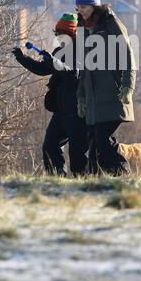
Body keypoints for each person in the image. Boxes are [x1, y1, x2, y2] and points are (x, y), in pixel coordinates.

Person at [13, 12, 89, 175]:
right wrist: (22, 58)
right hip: (61, 112)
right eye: (57, 34)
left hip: (78, 113)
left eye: (61, 34)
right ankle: (57, 179)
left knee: (77, 156)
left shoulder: (81, 52)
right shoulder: (59, 51)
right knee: (49, 147)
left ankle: (81, 184)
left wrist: (52, 61)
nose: (58, 38)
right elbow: (42, 69)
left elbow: (72, 74)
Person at [73, 0, 135, 175]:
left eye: (83, 6)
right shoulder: (82, 27)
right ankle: (94, 178)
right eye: (78, 7)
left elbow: (127, 55)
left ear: (94, 6)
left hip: (112, 94)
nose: (80, 10)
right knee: (94, 140)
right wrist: (81, 96)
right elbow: (84, 67)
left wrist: (127, 86)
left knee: (101, 138)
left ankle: (122, 174)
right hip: (93, 98)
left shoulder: (111, 23)